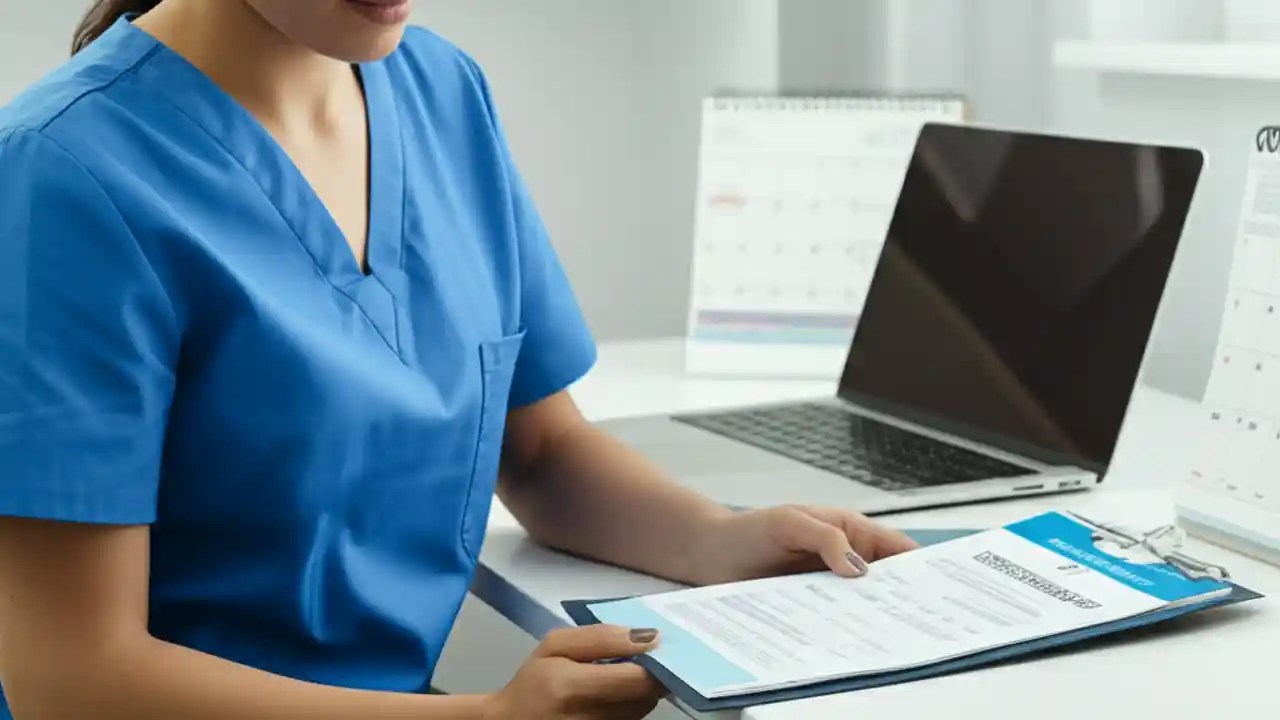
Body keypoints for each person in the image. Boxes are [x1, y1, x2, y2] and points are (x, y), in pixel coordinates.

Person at [0, 1, 918, 718]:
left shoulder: (441, 91)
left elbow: (542, 450)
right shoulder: (62, 176)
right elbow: (73, 682)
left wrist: (722, 541)